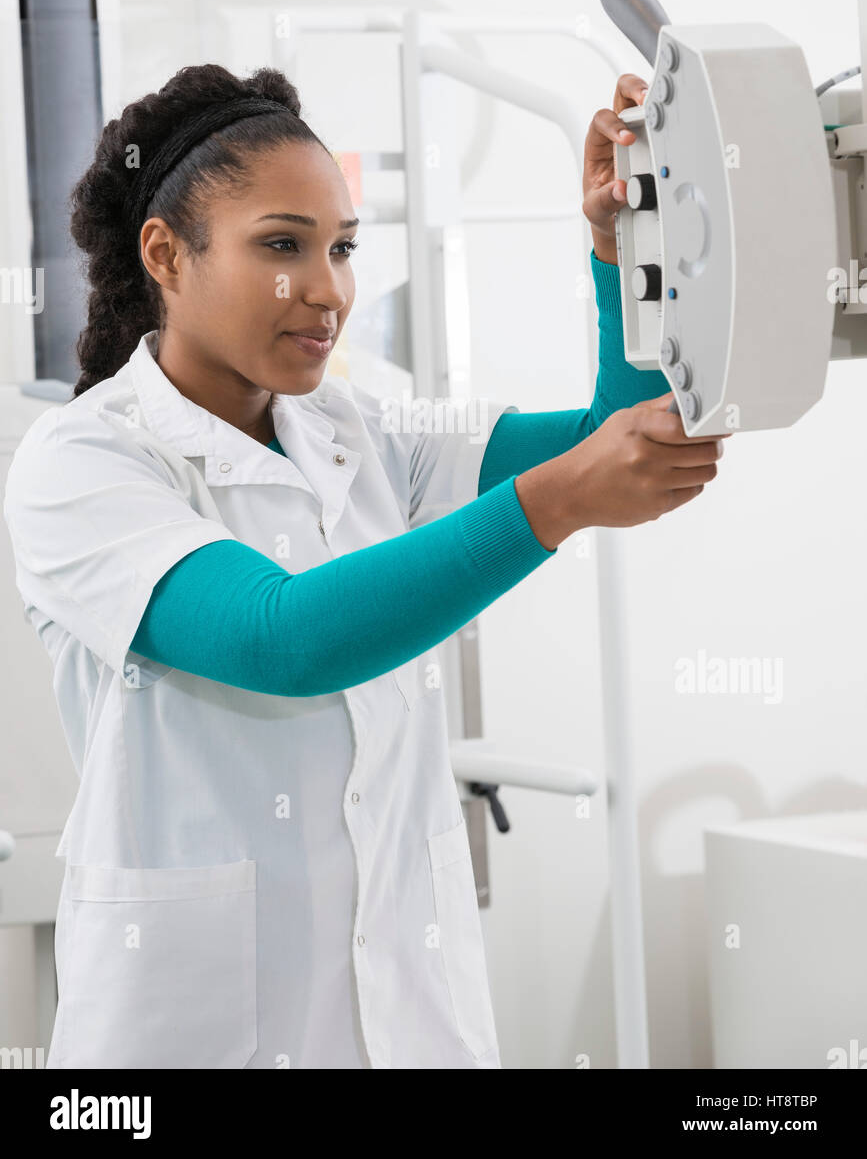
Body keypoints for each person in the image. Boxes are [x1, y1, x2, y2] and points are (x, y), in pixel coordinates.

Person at [2, 62, 727, 1070]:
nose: (330, 289)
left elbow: (613, 432)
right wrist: (556, 504)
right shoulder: (82, 464)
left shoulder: (365, 425)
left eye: (341, 246)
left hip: (413, 1025)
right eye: (282, 246)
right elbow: (283, 635)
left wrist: (619, 246)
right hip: (189, 1038)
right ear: (166, 254)